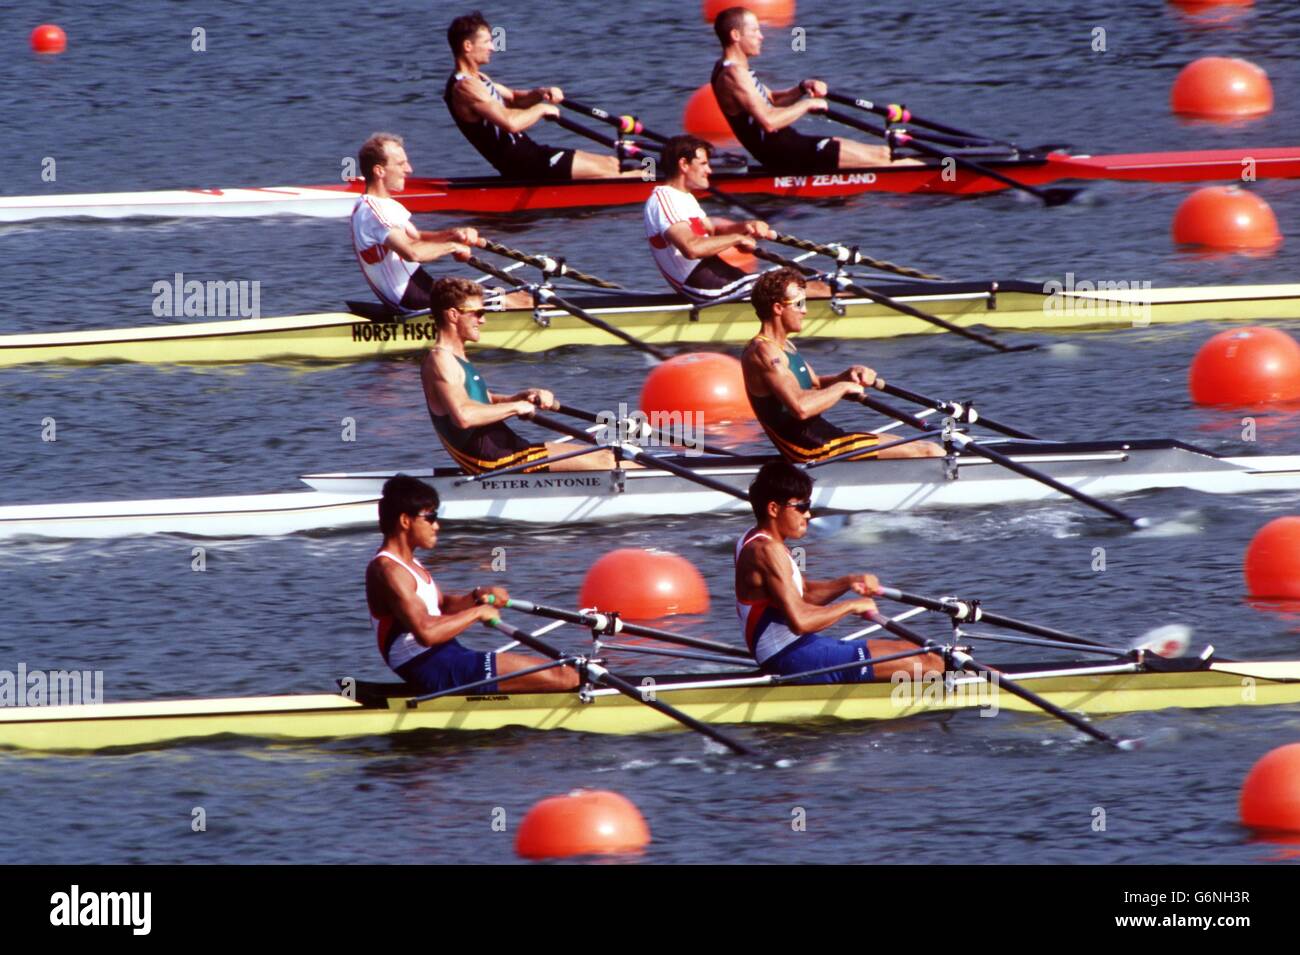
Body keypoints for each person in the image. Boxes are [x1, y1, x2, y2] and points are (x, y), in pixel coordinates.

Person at [365, 475, 579, 694]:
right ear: (405, 521)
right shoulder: (389, 570)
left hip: (448, 655)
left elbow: (442, 606)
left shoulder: (409, 563)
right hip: (431, 666)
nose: (437, 526)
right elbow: (426, 633)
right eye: (430, 517)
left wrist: (477, 596)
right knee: (566, 676)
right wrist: (477, 613)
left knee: (571, 670)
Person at [734, 461, 945, 682]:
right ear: (773, 509)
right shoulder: (767, 550)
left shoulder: (755, 538)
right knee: (929, 663)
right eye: (801, 507)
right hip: (791, 658)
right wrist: (851, 606)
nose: (808, 515)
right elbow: (800, 622)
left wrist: (848, 582)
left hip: (799, 648)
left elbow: (804, 593)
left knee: (917, 651)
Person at [421, 276, 626, 474]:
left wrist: (520, 397)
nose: (482, 320)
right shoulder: (441, 360)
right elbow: (464, 417)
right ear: (453, 315)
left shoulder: (456, 357)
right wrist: (515, 407)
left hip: (505, 450)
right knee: (606, 460)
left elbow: (482, 402)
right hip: (493, 461)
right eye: (477, 313)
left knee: (610, 455)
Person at [741, 268, 944, 463]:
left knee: (920, 445)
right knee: (929, 452)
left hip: (826, 437)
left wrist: (845, 376)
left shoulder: (784, 345)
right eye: (799, 304)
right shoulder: (763, 352)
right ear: (778, 308)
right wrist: (842, 387)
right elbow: (801, 408)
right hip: (811, 450)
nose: (805, 310)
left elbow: (815, 385)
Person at [710, 6, 921, 173]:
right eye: (755, 30)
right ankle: (935, 180)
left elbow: (771, 100)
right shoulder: (733, 75)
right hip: (786, 155)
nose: (761, 36)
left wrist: (802, 88)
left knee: (884, 153)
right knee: (884, 159)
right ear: (736, 35)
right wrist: (808, 104)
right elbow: (769, 121)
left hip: (792, 146)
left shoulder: (732, 69)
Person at [445, 11, 643, 180]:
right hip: (523, 165)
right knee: (611, 171)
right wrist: (541, 109)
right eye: (487, 42)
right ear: (468, 46)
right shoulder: (466, 88)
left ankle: (646, 176)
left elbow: (514, 98)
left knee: (612, 163)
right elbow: (510, 123)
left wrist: (541, 93)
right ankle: (649, 181)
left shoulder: (479, 79)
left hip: (531, 154)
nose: (493, 47)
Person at [351, 132, 529, 314]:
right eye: (400, 164)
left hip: (425, 289)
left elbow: (417, 238)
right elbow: (412, 252)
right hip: (413, 301)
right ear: (379, 171)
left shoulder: (385, 205)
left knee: (521, 295)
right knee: (513, 301)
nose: (409, 169)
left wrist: (454, 234)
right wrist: (453, 247)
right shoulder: (373, 211)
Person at [643, 134, 777, 303]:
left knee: (797, 282)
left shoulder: (685, 197)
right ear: (684, 164)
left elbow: (713, 231)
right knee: (793, 288)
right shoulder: (663, 200)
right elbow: (692, 248)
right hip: (703, 287)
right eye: (703, 164)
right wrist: (737, 239)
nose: (709, 170)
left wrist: (748, 226)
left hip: (717, 277)